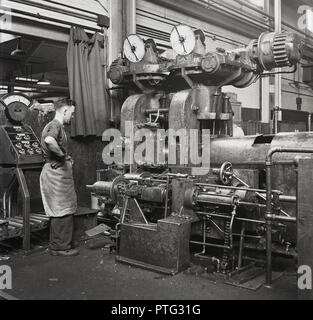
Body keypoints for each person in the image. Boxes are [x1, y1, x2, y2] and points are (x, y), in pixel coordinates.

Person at [40, 98, 79, 256]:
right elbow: (49, 140)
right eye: (72, 113)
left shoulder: (57, 126)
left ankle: (61, 242)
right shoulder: (54, 125)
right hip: (55, 175)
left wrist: (66, 159)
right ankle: (60, 247)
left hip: (58, 174)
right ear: (65, 110)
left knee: (63, 209)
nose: (72, 116)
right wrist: (62, 156)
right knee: (61, 210)